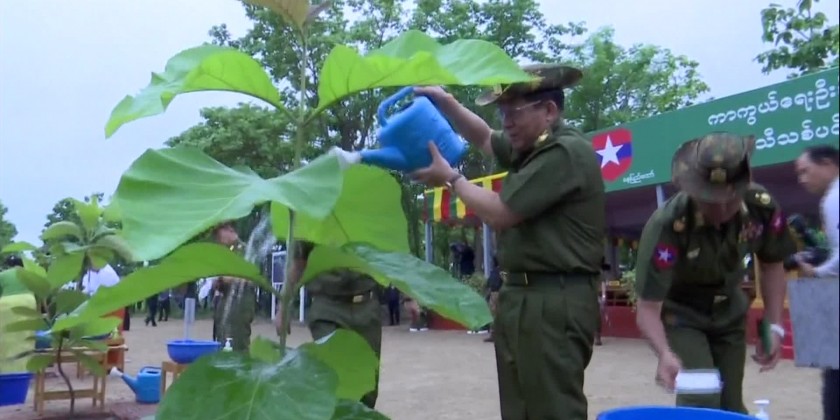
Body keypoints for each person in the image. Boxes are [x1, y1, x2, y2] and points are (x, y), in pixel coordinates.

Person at [411, 63, 606, 420]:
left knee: (553, 410)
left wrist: (451, 179)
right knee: (519, 408)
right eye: (503, 112)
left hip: (556, 298)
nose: (507, 123)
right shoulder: (533, 147)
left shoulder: (563, 153)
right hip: (526, 296)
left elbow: (502, 212)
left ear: (548, 111)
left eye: (514, 113)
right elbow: (485, 138)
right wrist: (447, 101)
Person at [634, 132, 796, 413]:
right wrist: (664, 353)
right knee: (701, 397)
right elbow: (647, 307)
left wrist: (773, 325)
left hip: (729, 315)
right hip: (682, 316)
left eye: (729, 199)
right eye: (710, 199)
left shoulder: (762, 207)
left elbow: (771, 264)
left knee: (731, 406)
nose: (721, 209)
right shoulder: (669, 225)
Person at [275, 241, 383, 409]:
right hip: (328, 309)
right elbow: (299, 263)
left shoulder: (371, 217)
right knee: (336, 378)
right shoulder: (312, 217)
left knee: (368, 388)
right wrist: (283, 306)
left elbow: (392, 256)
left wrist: (409, 297)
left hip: (367, 308)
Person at [792, 144, 839, 420]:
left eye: (805, 171)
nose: (802, 179)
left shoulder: (834, 198)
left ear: (828, 164)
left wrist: (817, 272)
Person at [211, 221, 255, 351]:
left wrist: (223, 278)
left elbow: (248, 277)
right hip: (227, 301)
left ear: (229, 230)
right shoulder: (228, 252)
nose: (218, 240)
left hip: (239, 304)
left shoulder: (244, 250)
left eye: (219, 236)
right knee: (223, 340)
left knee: (237, 342)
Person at [595, 260, 611, 346]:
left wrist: (604, 295)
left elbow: (603, 283)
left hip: (597, 296)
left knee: (598, 316)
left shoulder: (599, 272)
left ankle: (598, 337)